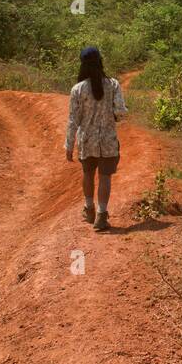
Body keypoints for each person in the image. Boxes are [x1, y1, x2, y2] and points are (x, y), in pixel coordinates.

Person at [65, 46, 127, 231]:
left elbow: (72, 120)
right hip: (107, 140)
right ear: (100, 61)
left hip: (86, 141)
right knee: (105, 176)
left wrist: (69, 145)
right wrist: (116, 114)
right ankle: (101, 215)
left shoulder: (77, 89)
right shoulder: (113, 84)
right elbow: (120, 112)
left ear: (82, 65)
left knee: (88, 174)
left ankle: (89, 208)